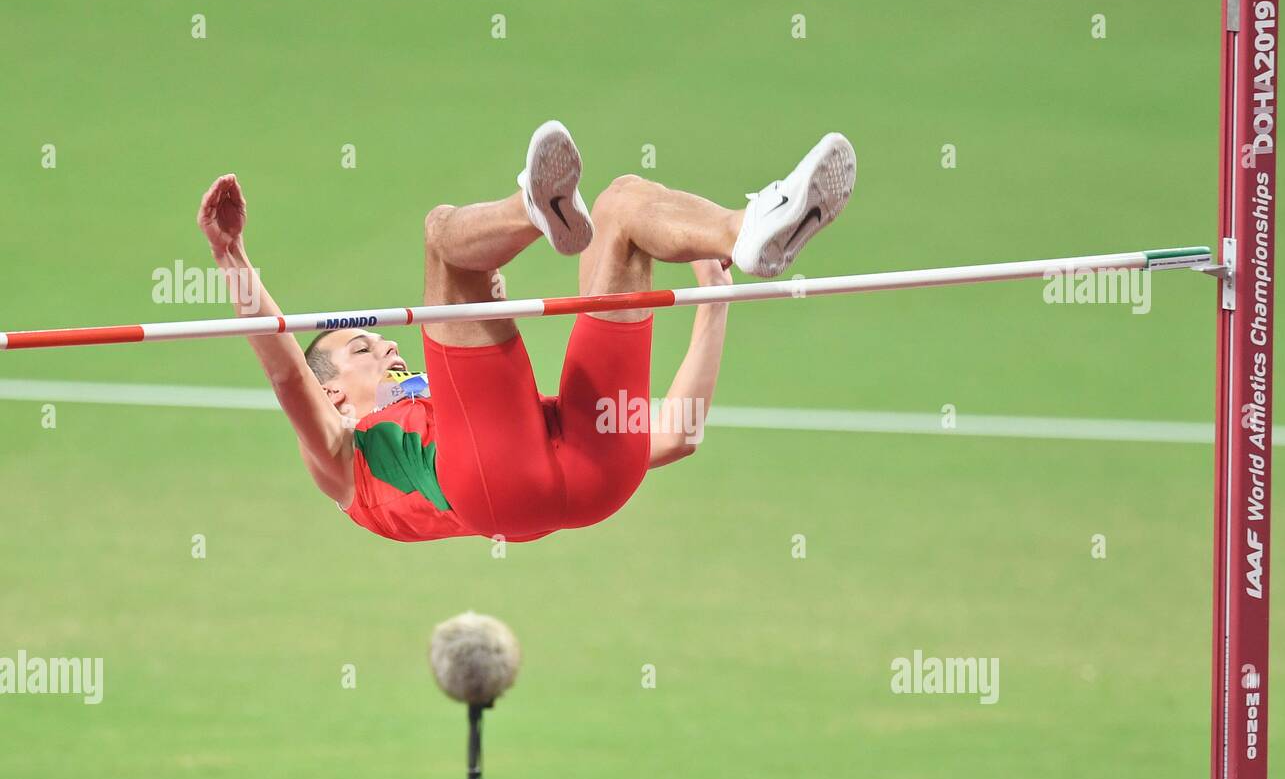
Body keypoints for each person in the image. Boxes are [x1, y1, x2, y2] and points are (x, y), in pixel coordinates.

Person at [196, 121, 856, 543]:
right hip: (493, 484)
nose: (389, 343)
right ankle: (529, 208)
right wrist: (232, 259)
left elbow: (677, 435)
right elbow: (285, 371)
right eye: (362, 348)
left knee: (622, 206)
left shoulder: (453, 404)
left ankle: (747, 232)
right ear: (336, 396)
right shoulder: (347, 462)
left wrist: (715, 305)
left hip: (591, 473)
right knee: (442, 240)